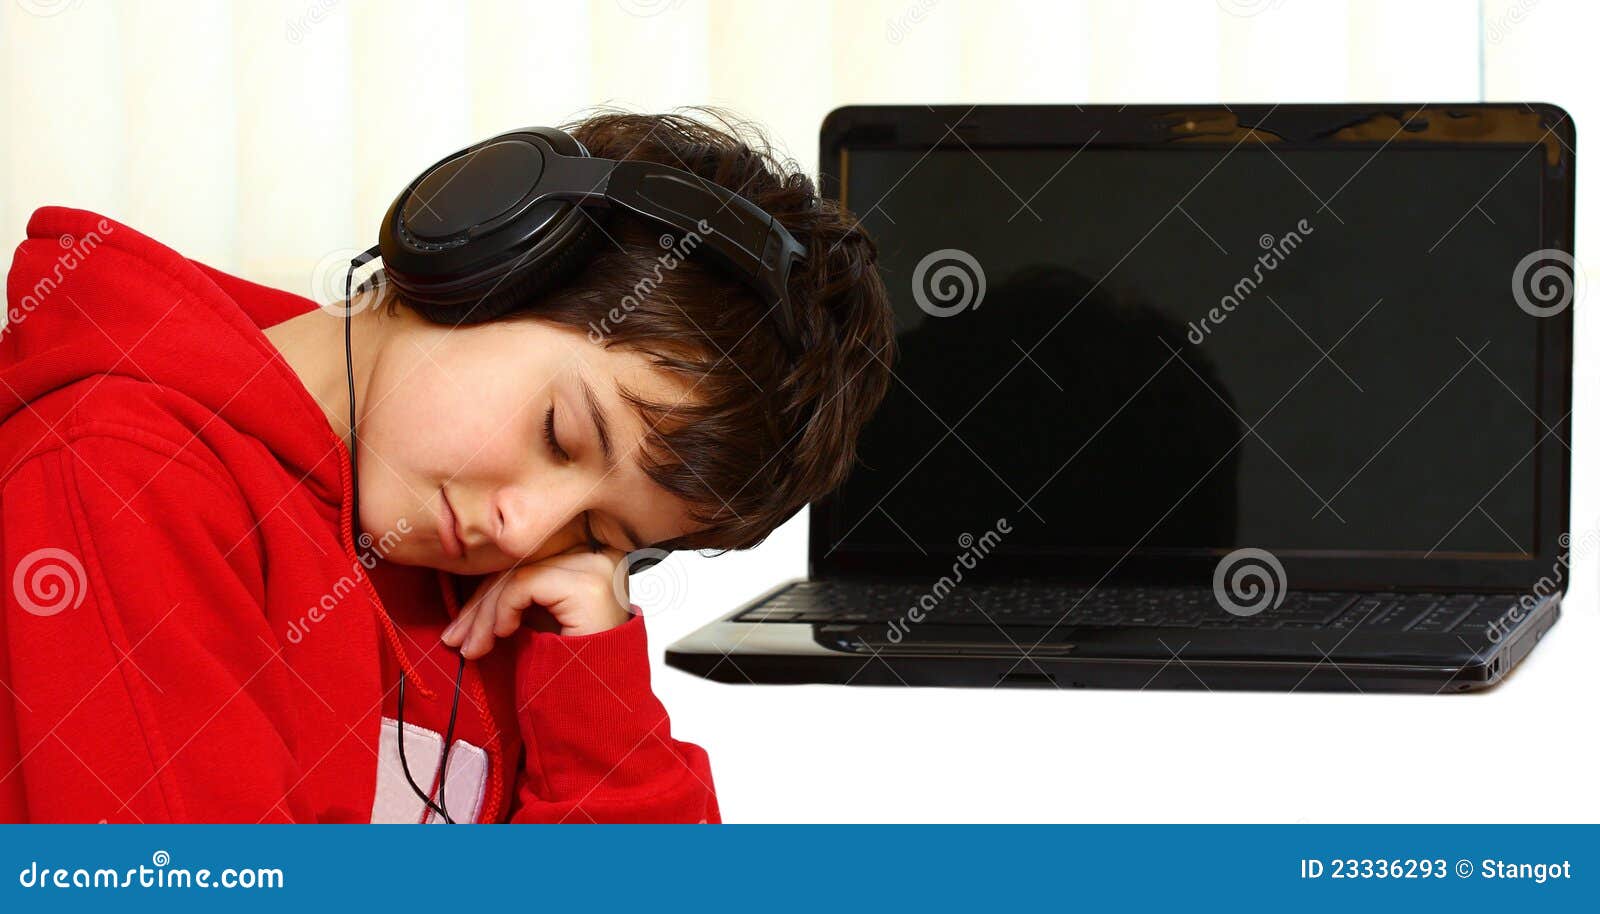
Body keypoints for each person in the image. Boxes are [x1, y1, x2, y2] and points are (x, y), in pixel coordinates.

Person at [0, 109, 895, 823]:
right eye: (559, 434)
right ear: (475, 256)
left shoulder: (512, 597)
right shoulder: (120, 479)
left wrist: (591, 687)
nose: (525, 529)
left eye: (601, 534)